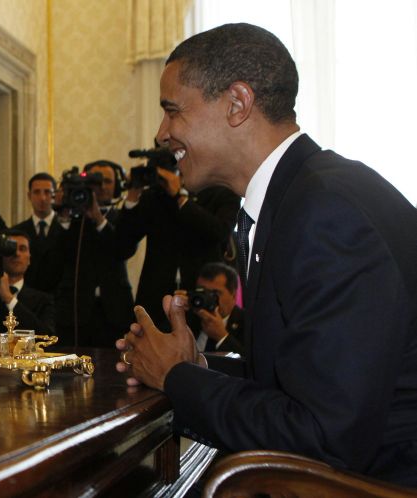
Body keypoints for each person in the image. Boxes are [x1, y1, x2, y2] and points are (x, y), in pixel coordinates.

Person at [115, 23, 417, 486]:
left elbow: (324, 436)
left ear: (237, 103)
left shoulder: (326, 212)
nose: (161, 134)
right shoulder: (303, 195)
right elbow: (297, 377)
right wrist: (199, 368)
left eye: (173, 111)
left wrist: (178, 377)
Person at [117, 154, 240, 332]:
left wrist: (180, 198)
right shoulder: (155, 197)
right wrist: (132, 196)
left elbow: (218, 232)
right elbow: (122, 247)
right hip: (155, 300)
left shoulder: (221, 192)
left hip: (200, 299)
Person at [51, 161, 136, 350]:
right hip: (74, 311)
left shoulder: (122, 217)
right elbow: (54, 258)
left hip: (115, 311)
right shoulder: (72, 219)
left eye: (107, 181)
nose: (103, 187)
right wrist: (63, 216)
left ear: (117, 186)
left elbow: (124, 250)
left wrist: (98, 219)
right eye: (97, 182)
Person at [0, 230, 54, 335]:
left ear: (29, 258)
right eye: (10, 249)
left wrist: (8, 298)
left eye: (22, 249)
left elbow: (46, 337)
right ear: (1, 255)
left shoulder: (43, 300)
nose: (16, 254)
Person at [12, 172, 65, 294]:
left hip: (59, 299)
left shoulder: (66, 229)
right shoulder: (18, 231)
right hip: (27, 299)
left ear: (55, 196)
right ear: (29, 196)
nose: (42, 198)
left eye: (47, 192)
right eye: (37, 192)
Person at [181, 262, 244, 354]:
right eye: (202, 292)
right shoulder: (189, 316)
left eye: (215, 293)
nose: (207, 298)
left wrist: (222, 336)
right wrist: (176, 312)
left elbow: (251, 363)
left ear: (233, 295)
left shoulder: (249, 322)